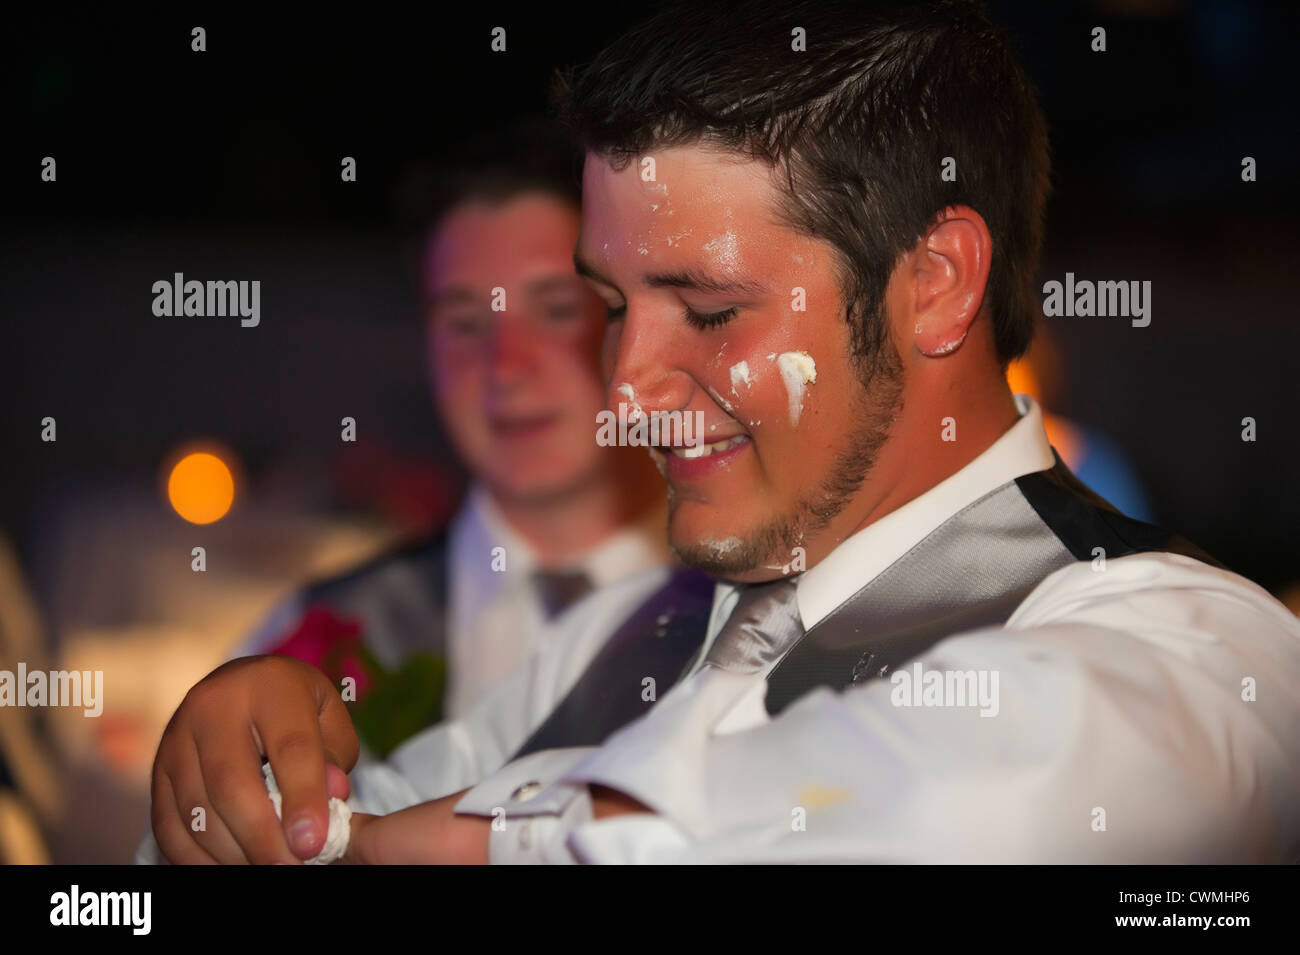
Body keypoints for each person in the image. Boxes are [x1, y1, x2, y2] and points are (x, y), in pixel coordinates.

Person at [146, 0, 1300, 864]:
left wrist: (443, 846)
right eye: (611, 308)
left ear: (937, 283)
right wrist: (239, 790)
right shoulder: (621, 632)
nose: (627, 389)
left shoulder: (1205, 652)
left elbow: (928, 814)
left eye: (707, 309)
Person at [236, 122, 671, 734]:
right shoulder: (319, 640)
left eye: (557, 310)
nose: (506, 368)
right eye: (465, 323)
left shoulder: (751, 611)